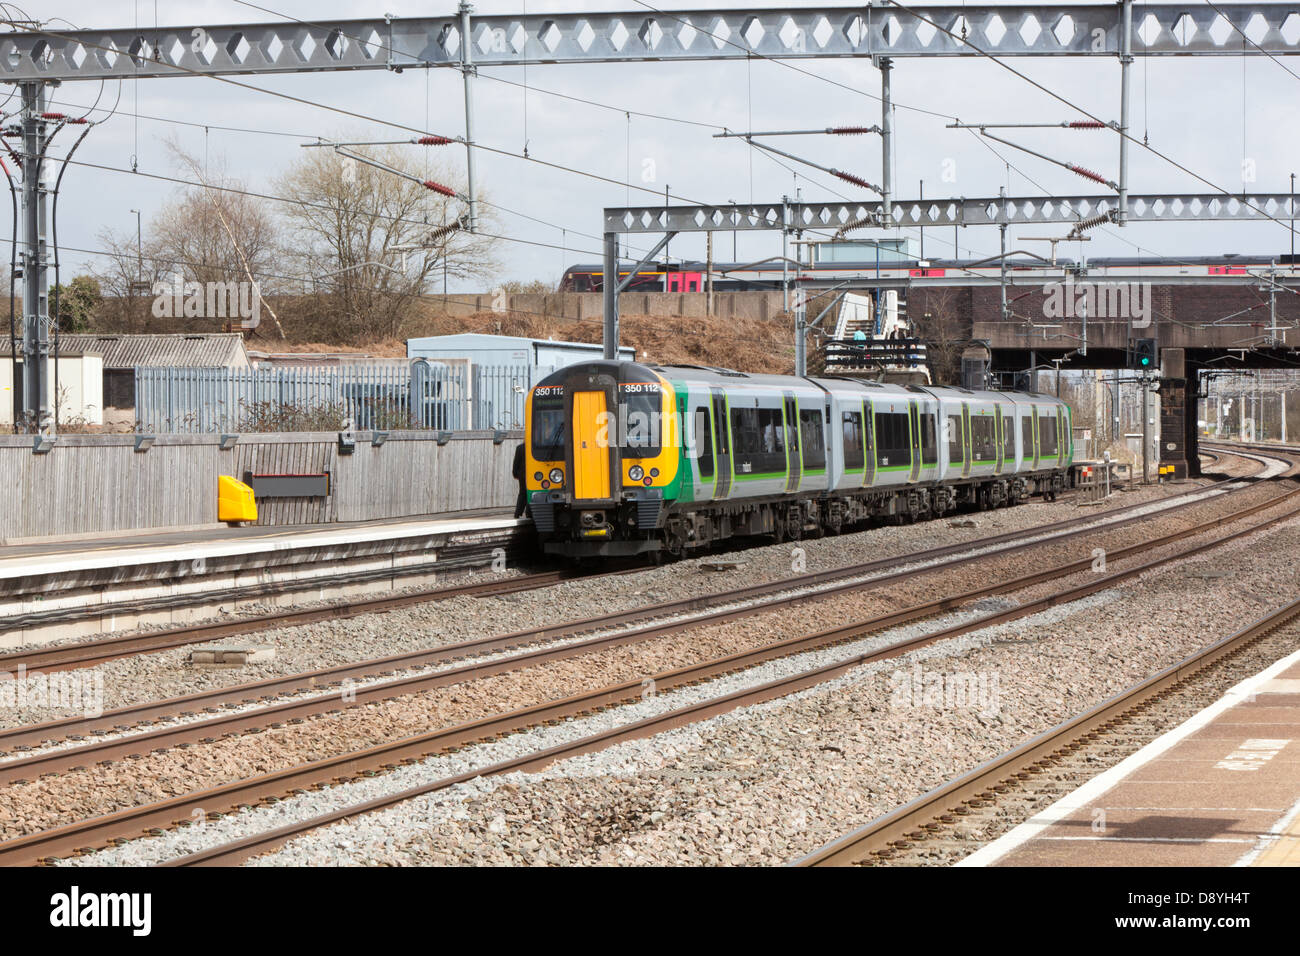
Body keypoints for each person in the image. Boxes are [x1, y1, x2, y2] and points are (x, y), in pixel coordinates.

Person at [512, 442, 529, 519]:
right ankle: (529, 512)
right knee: (531, 493)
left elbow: (516, 462)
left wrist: (515, 473)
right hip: (533, 474)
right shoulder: (534, 446)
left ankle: (518, 513)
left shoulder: (520, 448)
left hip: (522, 474)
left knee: (522, 493)